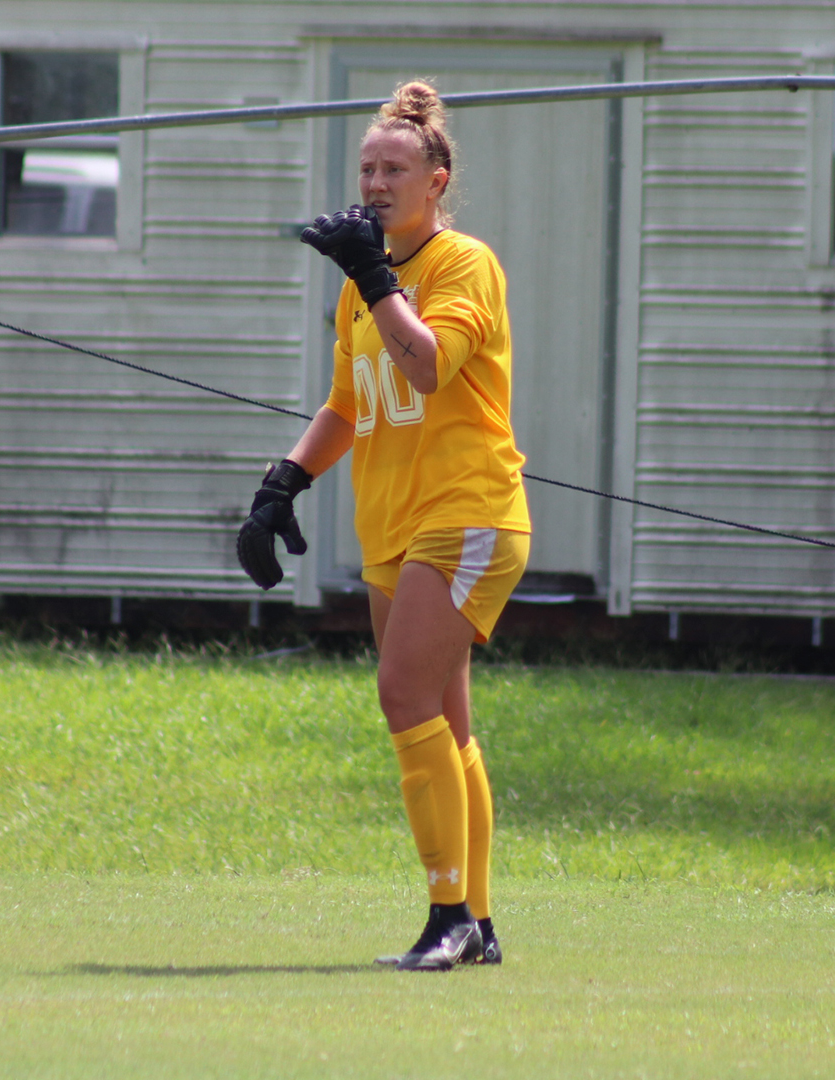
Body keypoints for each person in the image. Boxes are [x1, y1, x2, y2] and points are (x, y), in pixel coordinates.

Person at [236, 81, 531, 971]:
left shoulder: (460, 264)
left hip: (469, 512)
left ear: (437, 180)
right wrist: (281, 483)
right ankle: (475, 923)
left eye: (395, 167)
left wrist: (373, 275)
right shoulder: (365, 288)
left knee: (402, 698)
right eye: (366, 167)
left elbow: (432, 364)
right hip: (392, 527)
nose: (375, 181)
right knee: (445, 720)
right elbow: (348, 404)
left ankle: (447, 917)